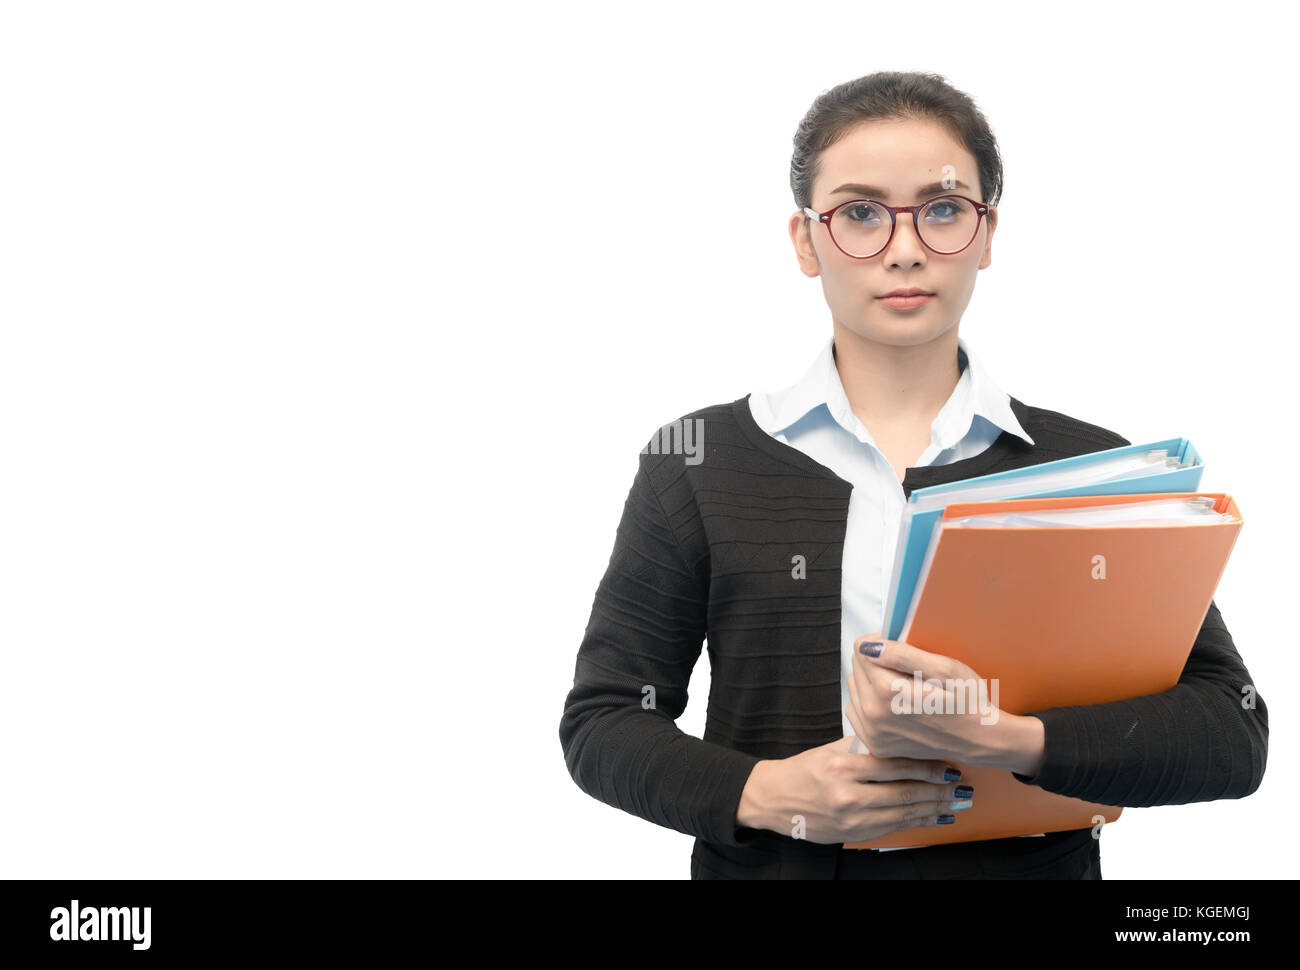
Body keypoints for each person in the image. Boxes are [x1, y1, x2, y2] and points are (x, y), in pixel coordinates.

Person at [558, 70, 1268, 879]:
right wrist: (765, 791)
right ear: (805, 240)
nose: (903, 249)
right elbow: (605, 721)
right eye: (860, 212)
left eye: (942, 210)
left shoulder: (1087, 466)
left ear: (988, 233)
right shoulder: (700, 459)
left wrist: (1011, 740)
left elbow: (1230, 733)